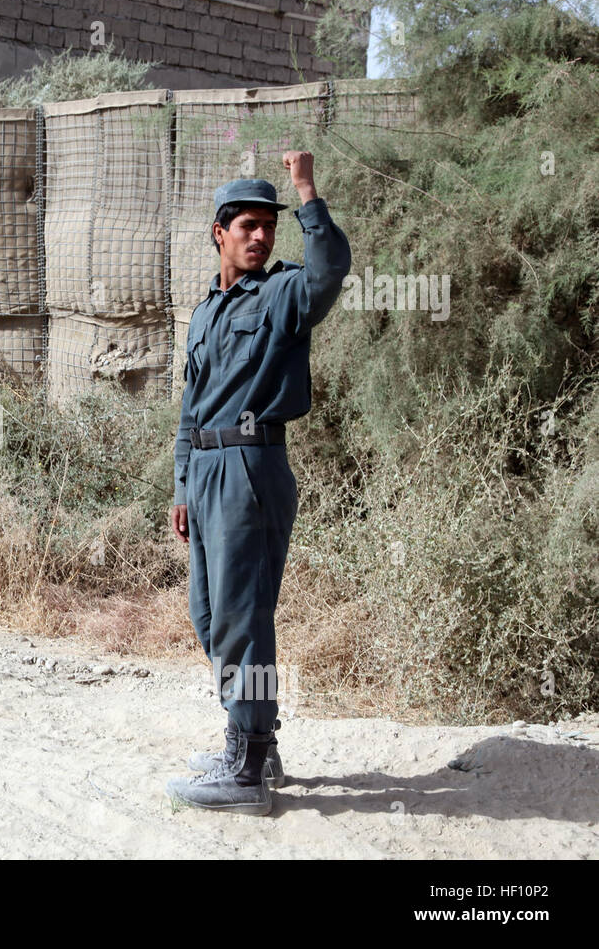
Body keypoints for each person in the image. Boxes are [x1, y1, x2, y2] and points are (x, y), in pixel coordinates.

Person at [165, 153, 351, 816]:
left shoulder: (280, 295)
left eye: (269, 227)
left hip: (252, 467)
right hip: (209, 471)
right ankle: (257, 743)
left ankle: (244, 770)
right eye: (247, 226)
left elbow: (329, 273)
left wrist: (307, 194)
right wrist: (183, 485)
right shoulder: (205, 312)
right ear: (219, 232)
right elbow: (191, 409)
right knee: (211, 616)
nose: (261, 237)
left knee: (244, 620)